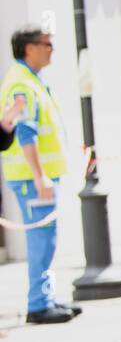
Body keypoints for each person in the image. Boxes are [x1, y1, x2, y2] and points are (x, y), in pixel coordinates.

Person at [1, 26, 81, 324]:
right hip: (31, 177)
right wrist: (39, 176)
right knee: (41, 239)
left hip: (38, 175)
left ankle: (44, 298)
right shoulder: (21, 84)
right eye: (46, 44)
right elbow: (25, 132)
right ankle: (38, 303)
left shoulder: (30, 81)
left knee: (47, 239)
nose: (51, 49)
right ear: (29, 48)